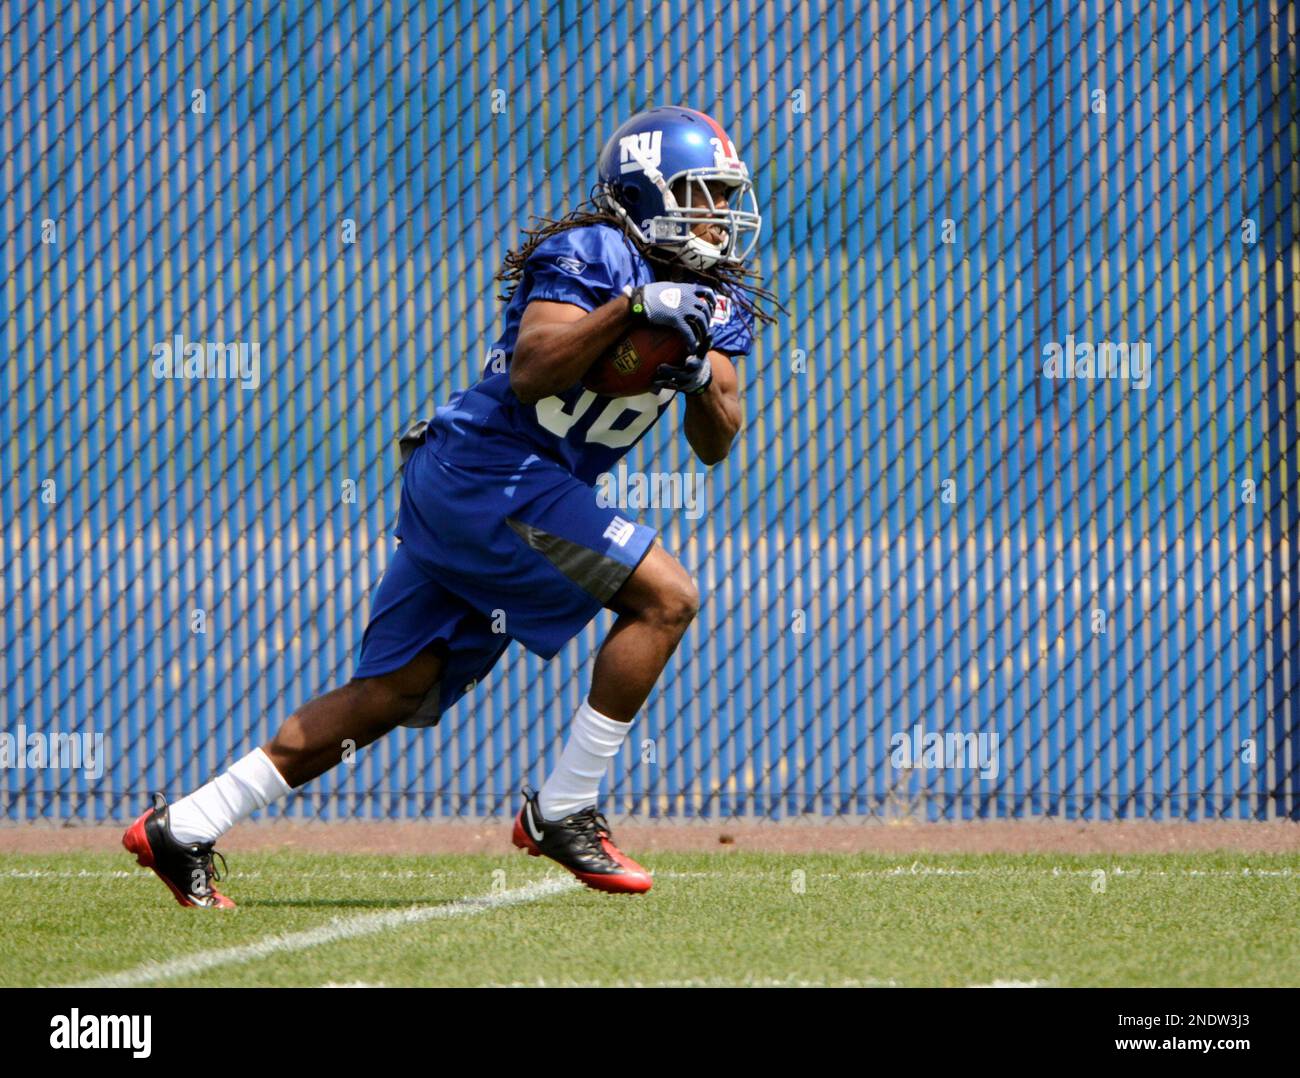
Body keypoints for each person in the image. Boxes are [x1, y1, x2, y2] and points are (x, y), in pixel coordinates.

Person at [123, 104, 778, 906]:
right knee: (668, 599)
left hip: (498, 488)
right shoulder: (593, 252)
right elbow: (535, 369)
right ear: (644, 192)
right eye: (700, 192)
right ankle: (564, 808)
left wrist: (697, 371)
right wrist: (635, 311)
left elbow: (717, 441)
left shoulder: (720, 296)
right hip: (488, 470)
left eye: (722, 194)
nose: (717, 214)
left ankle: (183, 824)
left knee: (394, 689)